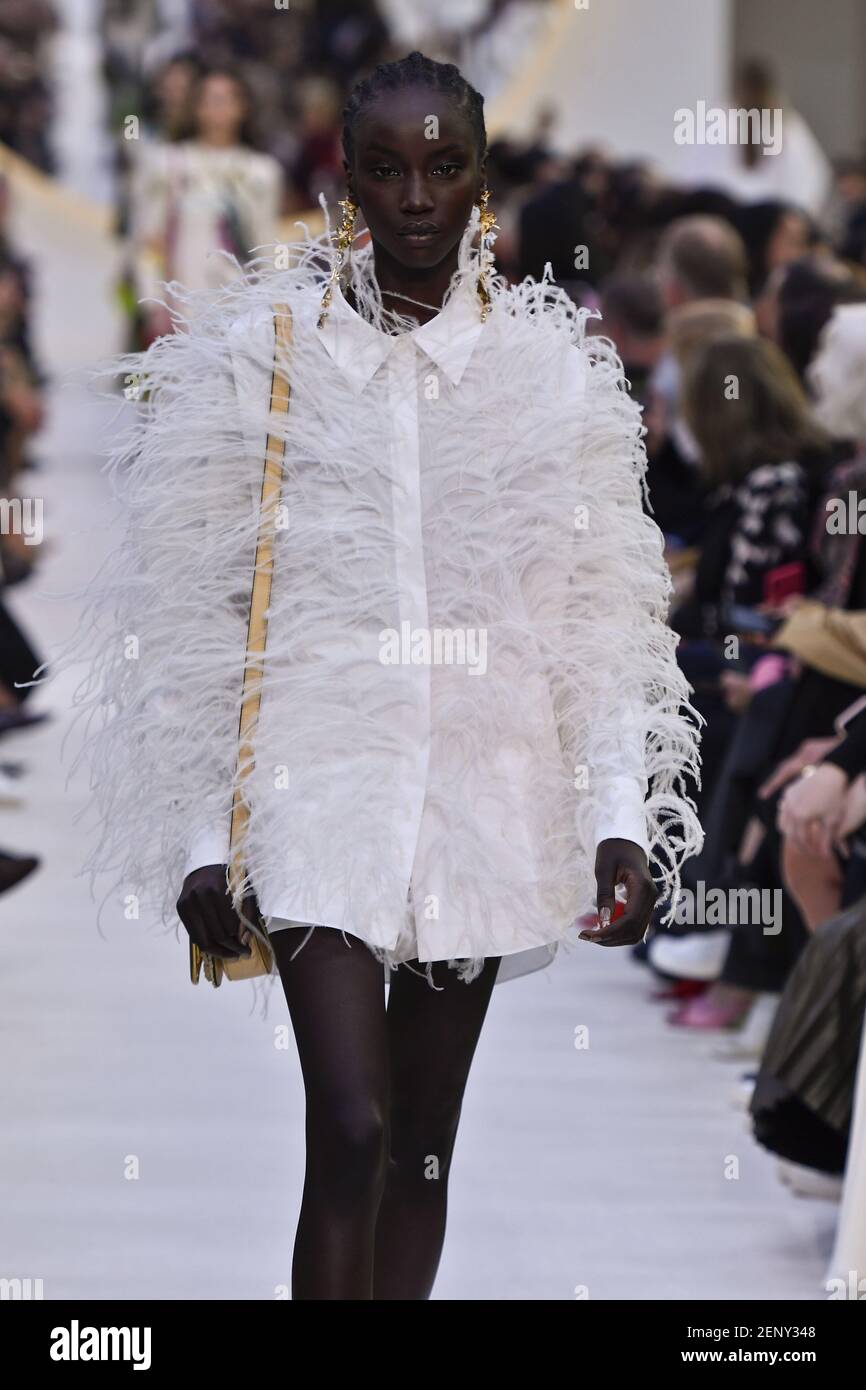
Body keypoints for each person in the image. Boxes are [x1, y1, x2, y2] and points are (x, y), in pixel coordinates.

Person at [56, 52, 702, 1300]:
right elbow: (202, 603)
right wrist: (203, 828)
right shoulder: (265, 362)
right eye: (388, 169)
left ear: (481, 185)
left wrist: (618, 811)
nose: (417, 196)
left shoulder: (550, 373)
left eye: (444, 166)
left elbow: (597, 608)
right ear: (346, 184)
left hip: (482, 786)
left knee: (416, 1150)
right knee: (348, 1128)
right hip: (317, 771)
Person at [129, 65, 284, 342]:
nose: (218, 107)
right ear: (195, 106)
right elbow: (149, 241)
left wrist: (274, 305)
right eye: (210, 98)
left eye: (227, 98)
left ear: (243, 107)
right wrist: (152, 303)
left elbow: (267, 244)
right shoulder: (167, 165)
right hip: (180, 307)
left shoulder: (261, 171)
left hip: (240, 307)